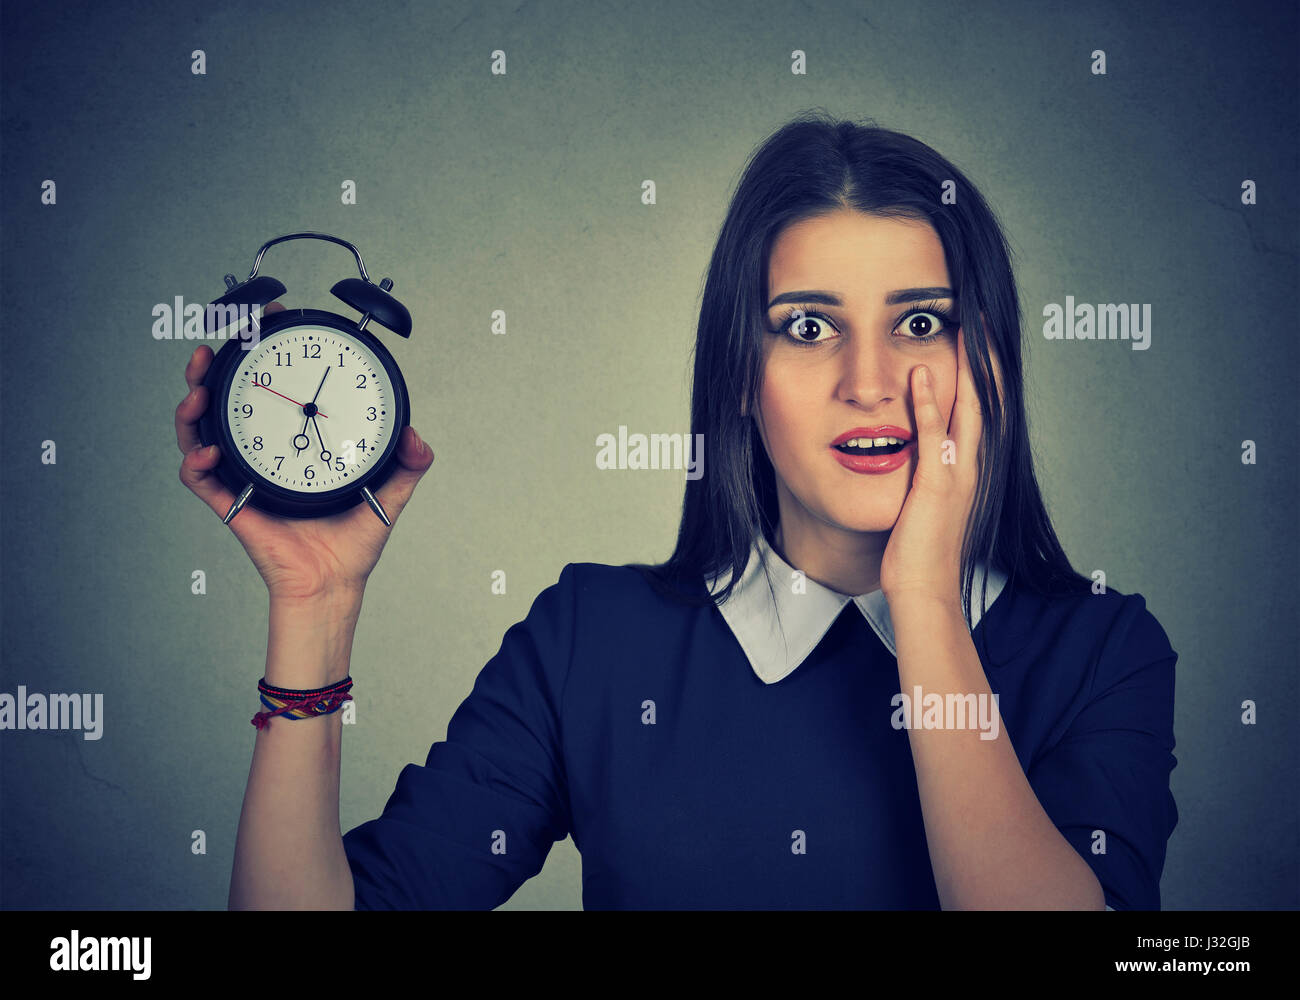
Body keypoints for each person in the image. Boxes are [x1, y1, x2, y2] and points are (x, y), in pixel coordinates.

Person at [176, 110, 1178, 910]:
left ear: (985, 361)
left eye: (920, 322)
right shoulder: (592, 644)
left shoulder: (1099, 651)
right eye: (807, 326)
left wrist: (922, 594)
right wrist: (313, 606)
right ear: (739, 375)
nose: (870, 382)